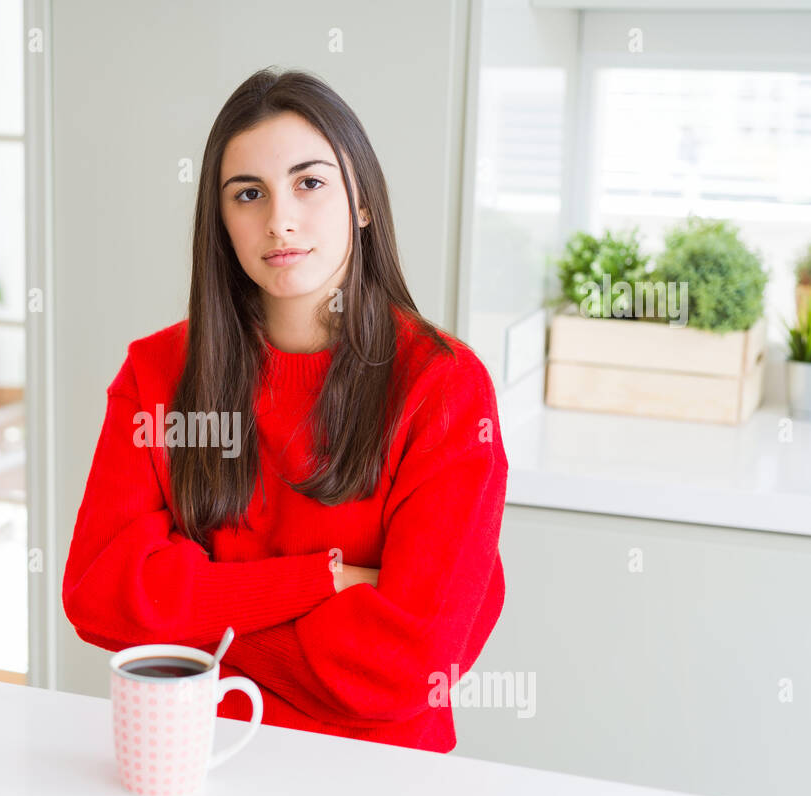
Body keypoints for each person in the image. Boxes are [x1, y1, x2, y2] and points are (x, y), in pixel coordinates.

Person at [62, 67, 508, 753]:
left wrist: (207, 619)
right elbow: (99, 594)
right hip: (200, 755)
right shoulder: (155, 374)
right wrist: (323, 580)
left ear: (361, 201)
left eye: (310, 182)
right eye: (249, 194)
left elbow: (409, 664)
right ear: (223, 219)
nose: (280, 220)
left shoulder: (445, 387)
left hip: (382, 776)